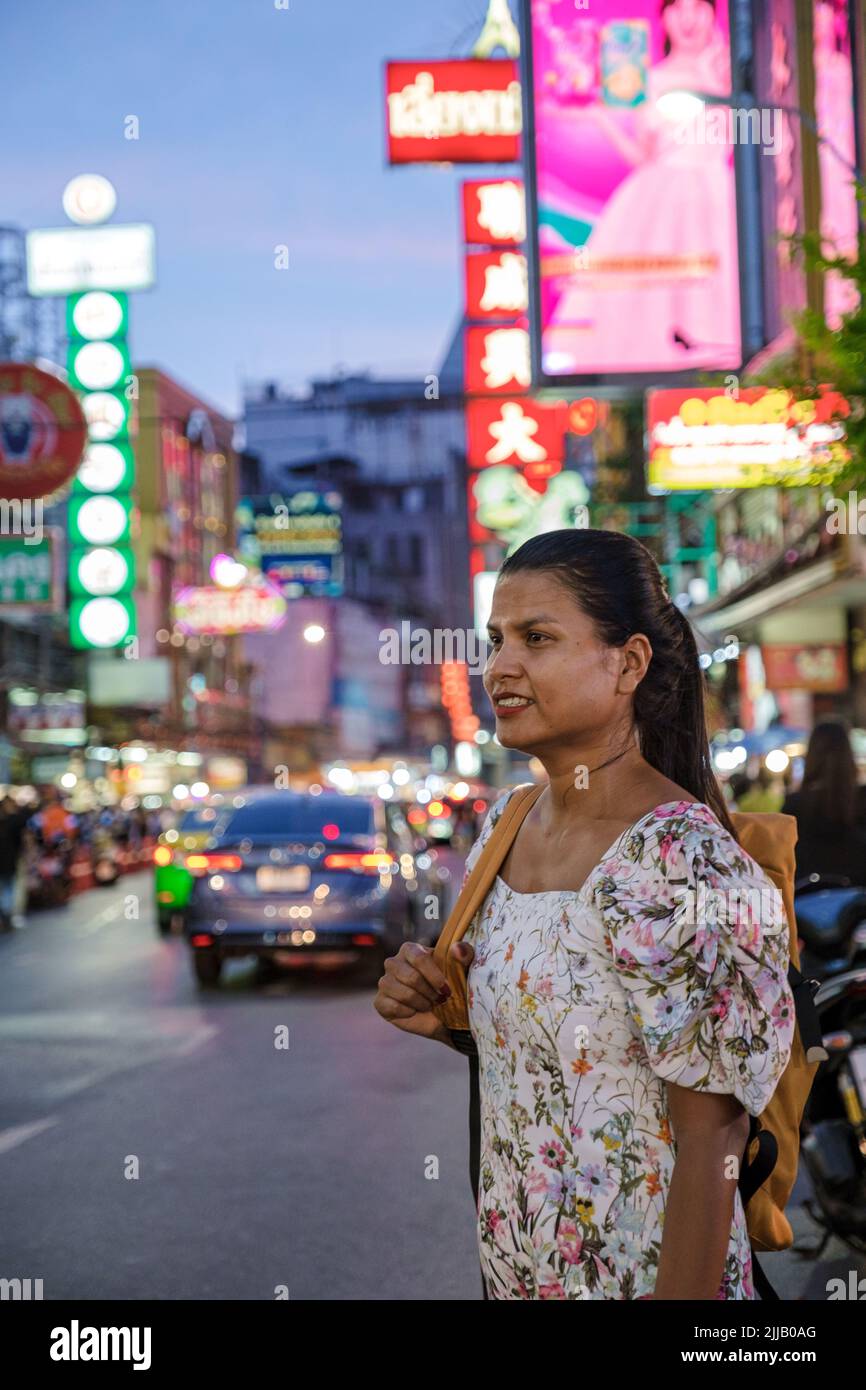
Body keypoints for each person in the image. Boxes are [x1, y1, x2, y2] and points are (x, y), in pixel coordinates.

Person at [374, 528, 795, 1300]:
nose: (500, 667)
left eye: (537, 638)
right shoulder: (504, 828)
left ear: (628, 663)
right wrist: (445, 1017)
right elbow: (566, 1064)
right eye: (495, 639)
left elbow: (716, 1138)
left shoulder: (681, 861)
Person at [782, 719, 866, 884]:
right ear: (848, 754)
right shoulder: (861, 800)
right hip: (857, 902)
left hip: (804, 900)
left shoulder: (795, 804)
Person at [0, 795, 34, 929]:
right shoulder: (16, 820)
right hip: (10, 860)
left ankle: (5, 913)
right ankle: (7, 913)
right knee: (10, 887)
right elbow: (26, 837)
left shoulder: (12, 820)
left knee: (6, 887)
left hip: (9, 860)